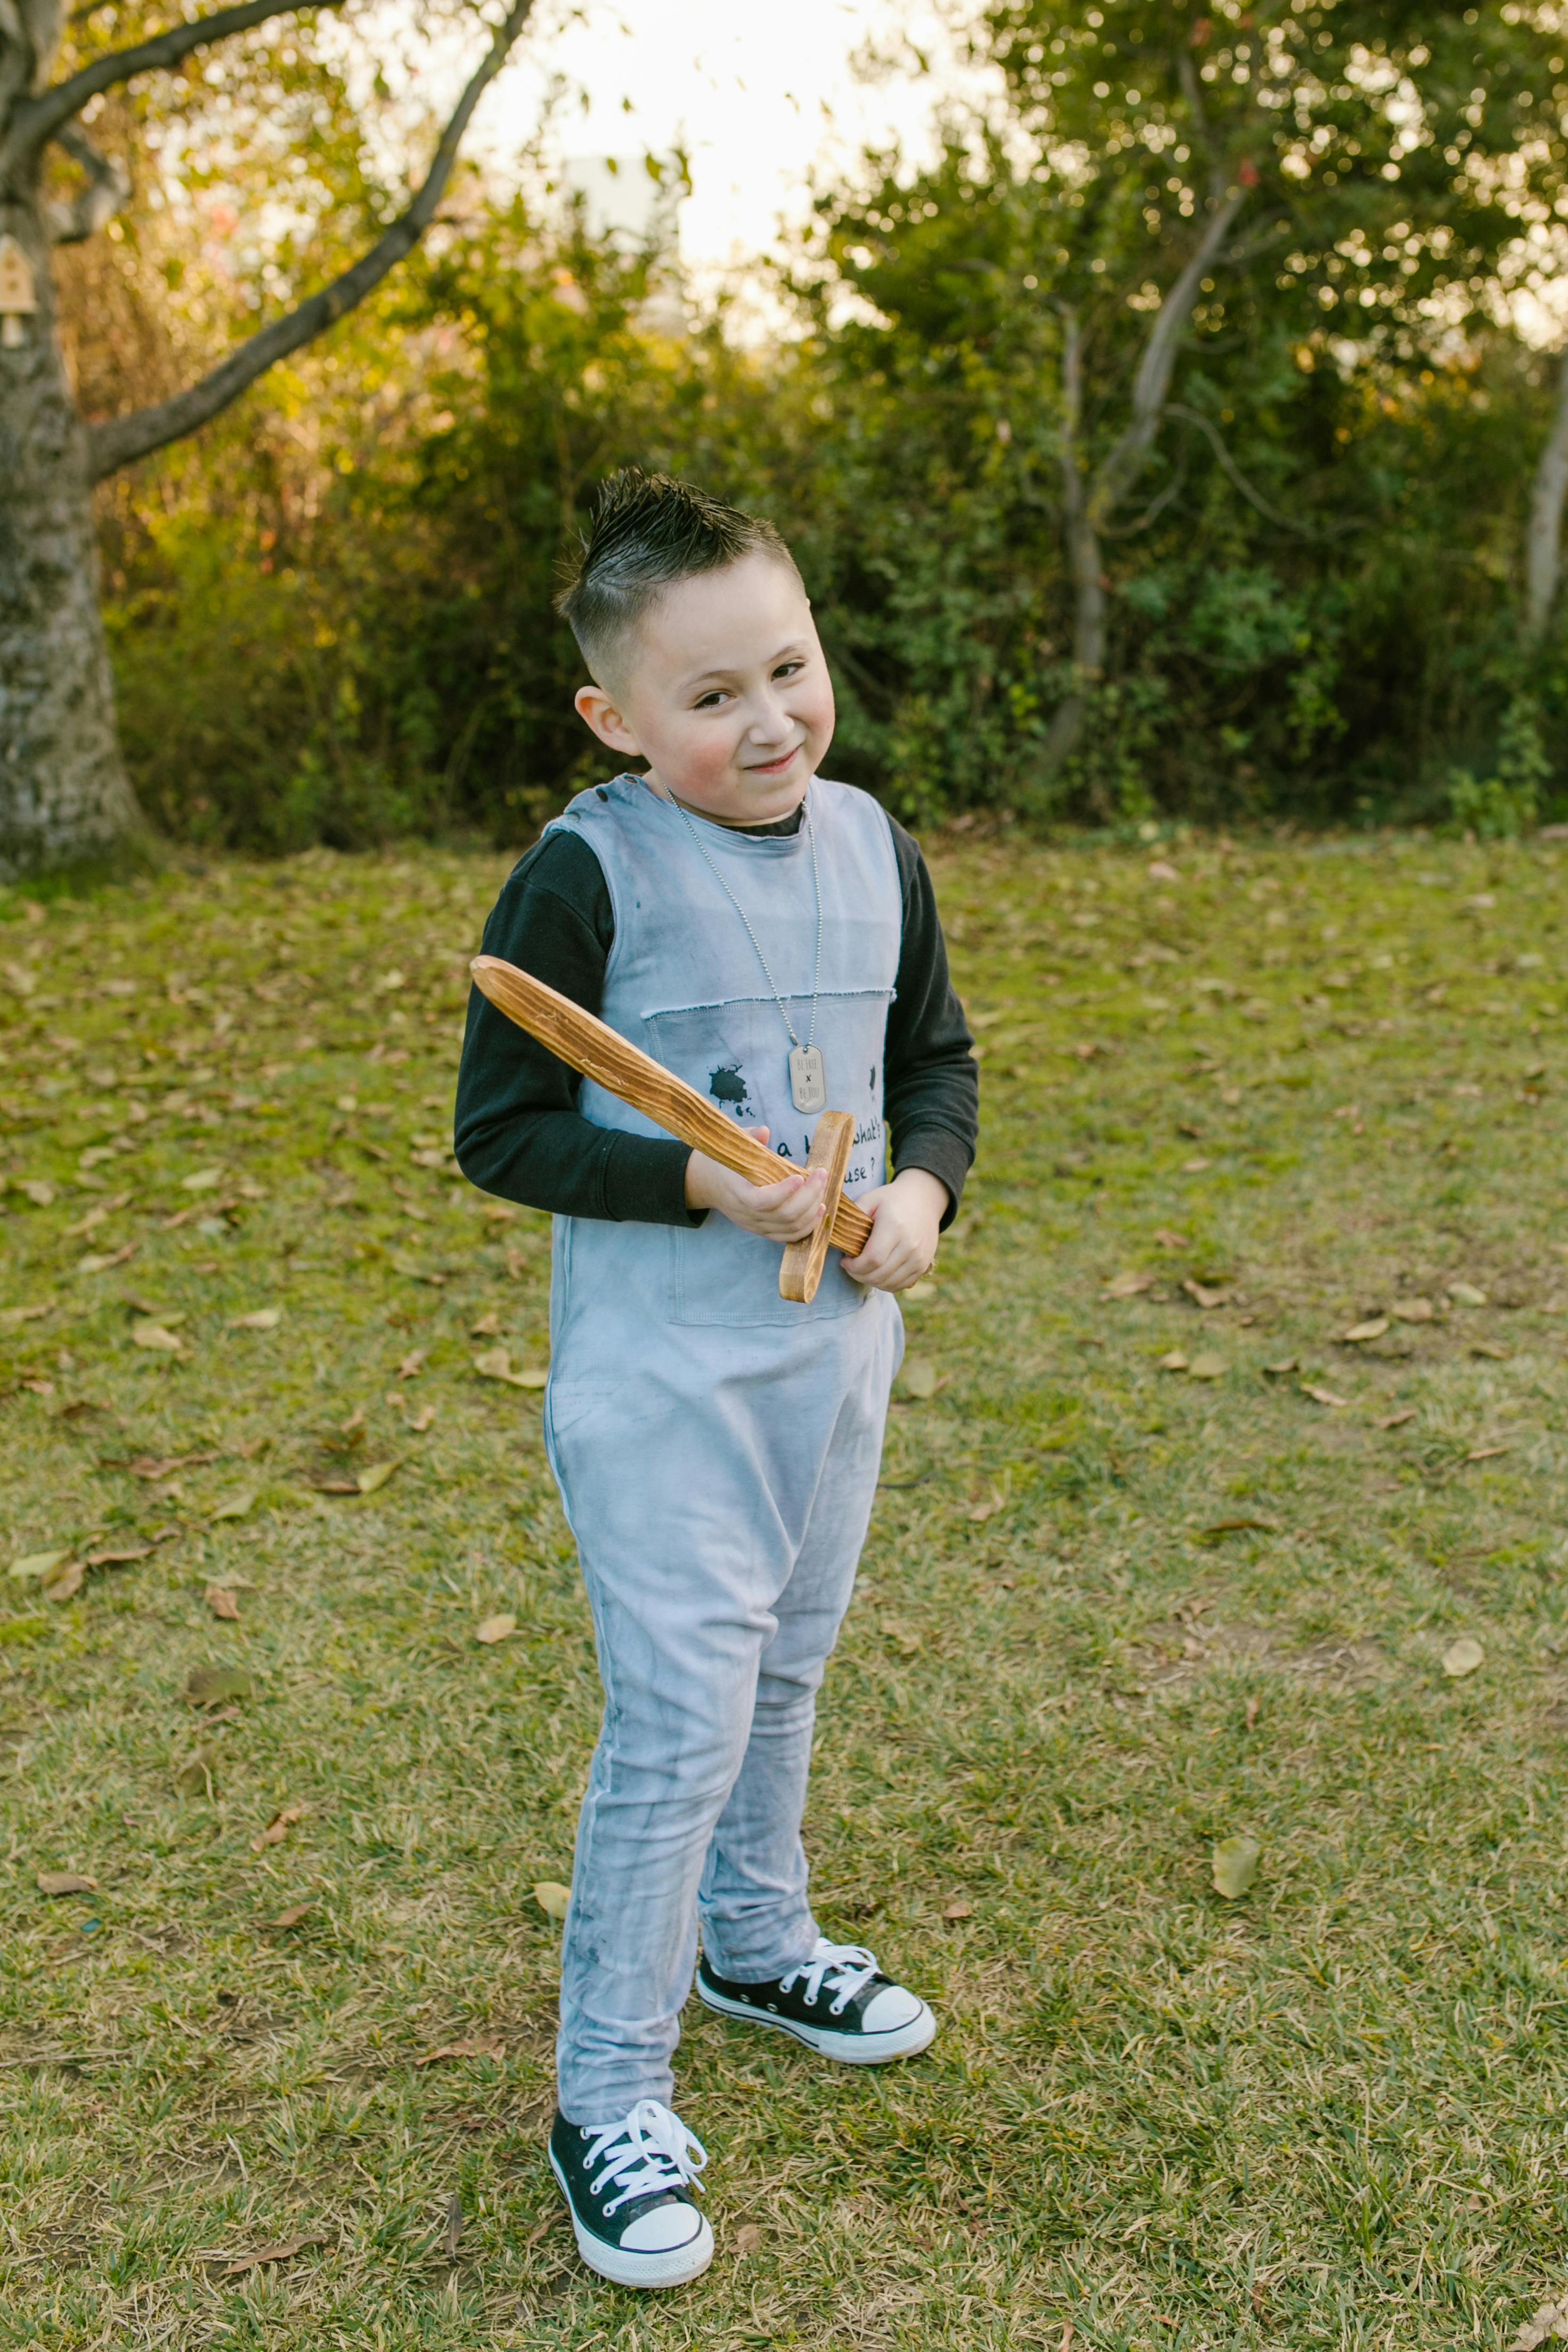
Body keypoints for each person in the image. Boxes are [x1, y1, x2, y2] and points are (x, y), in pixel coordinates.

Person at [455, 469, 978, 2291]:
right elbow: (502, 1131)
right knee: (681, 1717)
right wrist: (696, 1178)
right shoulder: (586, 872)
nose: (770, 724)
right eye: (711, 696)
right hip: (663, 1385)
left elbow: (936, 1063)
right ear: (614, 717)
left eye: (790, 669)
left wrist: (920, 1197)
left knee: (785, 1673)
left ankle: (754, 1943)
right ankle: (606, 2095)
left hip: (832, 1362)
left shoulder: (874, 843)